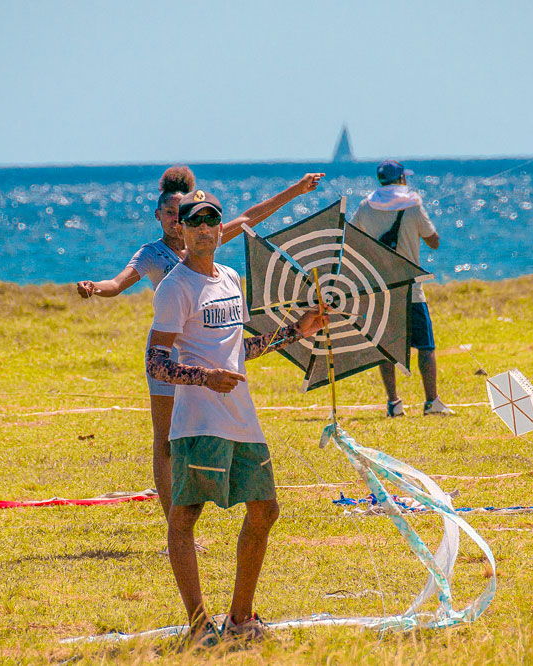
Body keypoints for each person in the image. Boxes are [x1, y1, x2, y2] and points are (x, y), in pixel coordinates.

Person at [76, 168, 324, 522]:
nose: (179, 219)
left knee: (207, 433)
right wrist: (94, 287)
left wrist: (296, 191)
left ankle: (197, 509)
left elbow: (251, 216)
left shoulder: (209, 238)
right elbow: (117, 283)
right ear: (161, 217)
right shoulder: (152, 253)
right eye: (170, 213)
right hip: (169, 356)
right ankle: (174, 525)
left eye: (183, 211)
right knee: (165, 443)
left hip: (210, 353)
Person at [146, 189, 328, 647]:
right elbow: (155, 362)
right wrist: (203, 377)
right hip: (198, 421)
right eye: (195, 221)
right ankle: (197, 626)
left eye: (212, 221)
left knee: (266, 510)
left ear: (220, 229)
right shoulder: (174, 288)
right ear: (180, 229)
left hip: (241, 417)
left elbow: (238, 351)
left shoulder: (229, 278)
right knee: (185, 517)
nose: (205, 229)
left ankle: (240, 619)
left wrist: (294, 331)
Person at [349, 160, 454, 417]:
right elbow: (434, 242)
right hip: (412, 289)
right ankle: (432, 402)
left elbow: (350, 238)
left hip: (380, 289)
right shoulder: (413, 205)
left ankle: (393, 403)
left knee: (386, 347)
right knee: (426, 347)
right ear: (402, 179)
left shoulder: (365, 206)